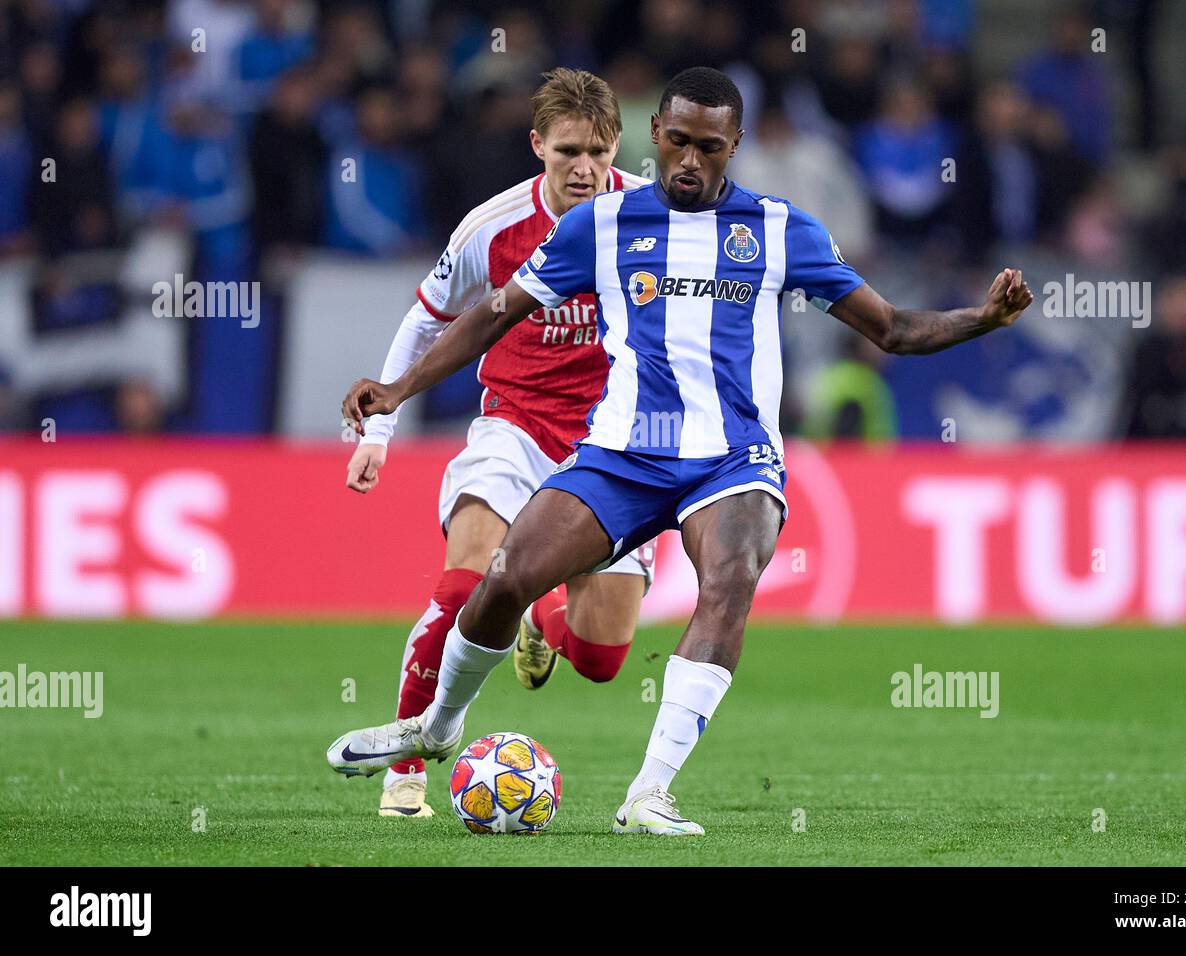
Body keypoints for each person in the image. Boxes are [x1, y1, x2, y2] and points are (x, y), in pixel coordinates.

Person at [328, 67, 1032, 836]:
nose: (691, 162)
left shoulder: (779, 228)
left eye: (710, 148)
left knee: (730, 581)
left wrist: (983, 318)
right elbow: (493, 314)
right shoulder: (601, 224)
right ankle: (437, 727)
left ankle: (648, 794)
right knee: (505, 579)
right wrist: (397, 394)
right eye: (678, 143)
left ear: (734, 147)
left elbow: (892, 328)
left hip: (733, 458)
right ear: (655, 134)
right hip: (624, 451)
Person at [344, 68, 652, 819]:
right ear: (538, 144)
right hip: (514, 425)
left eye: (600, 152)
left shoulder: (651, 216)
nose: (585, 169)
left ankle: (539, 613)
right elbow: (427, 318)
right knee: (462, 589)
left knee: (605, 658)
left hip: (614, 442)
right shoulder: (492, 227)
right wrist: (380, 427)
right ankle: (407, 769)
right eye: (569, 151)